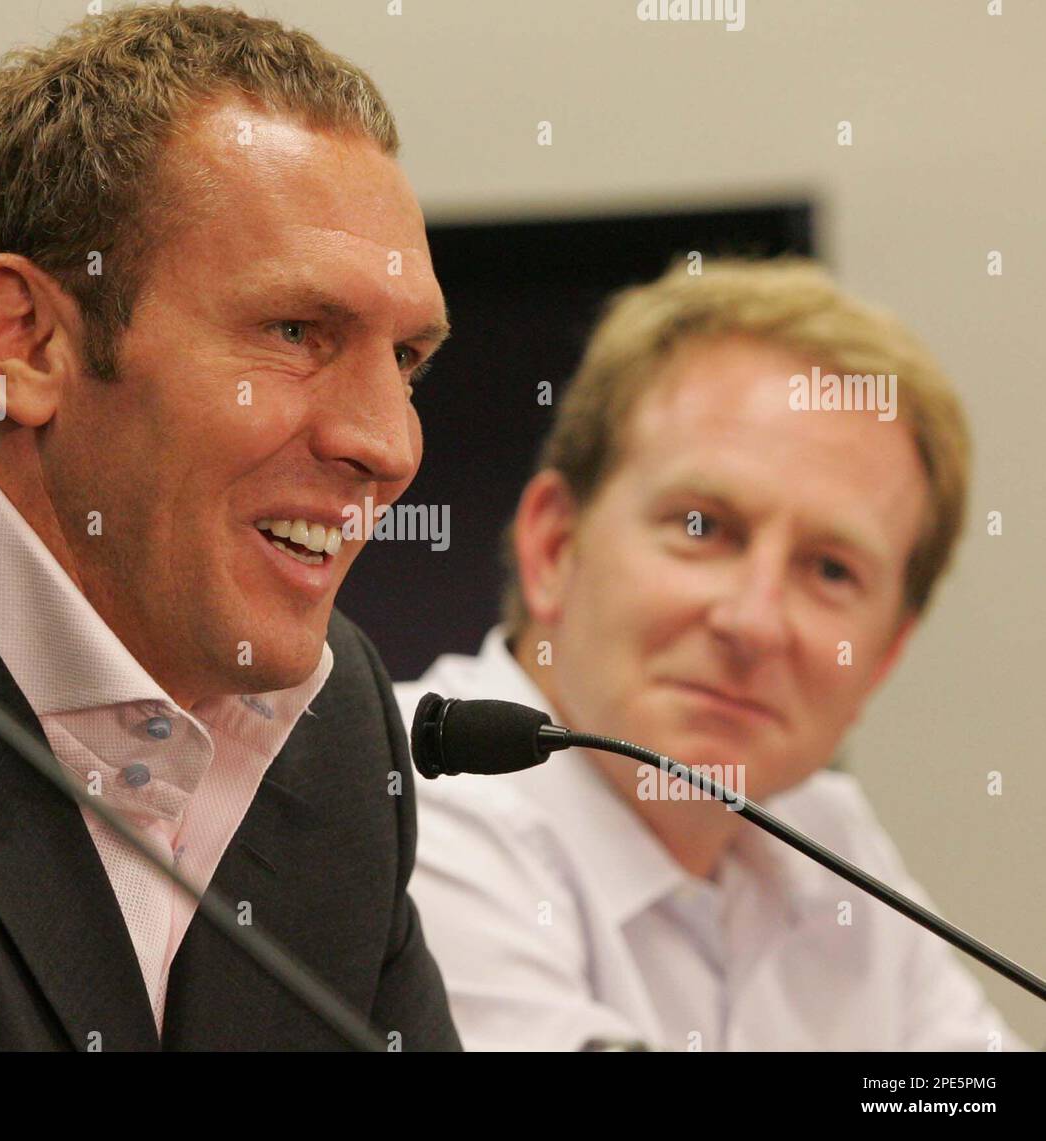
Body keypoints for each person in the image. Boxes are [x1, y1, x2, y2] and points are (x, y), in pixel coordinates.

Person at [0, 3, 458, 1051]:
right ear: (25, 341)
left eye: (405, 362)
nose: (387, 445)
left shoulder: (330, 723)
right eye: (298, 331)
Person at [395, 257, 1027, 1051]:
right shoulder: (404, 803)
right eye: (704, 527)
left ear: (884, 658)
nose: (755, 622)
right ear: (555, 545)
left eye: (831, 570)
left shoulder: (828, 835)